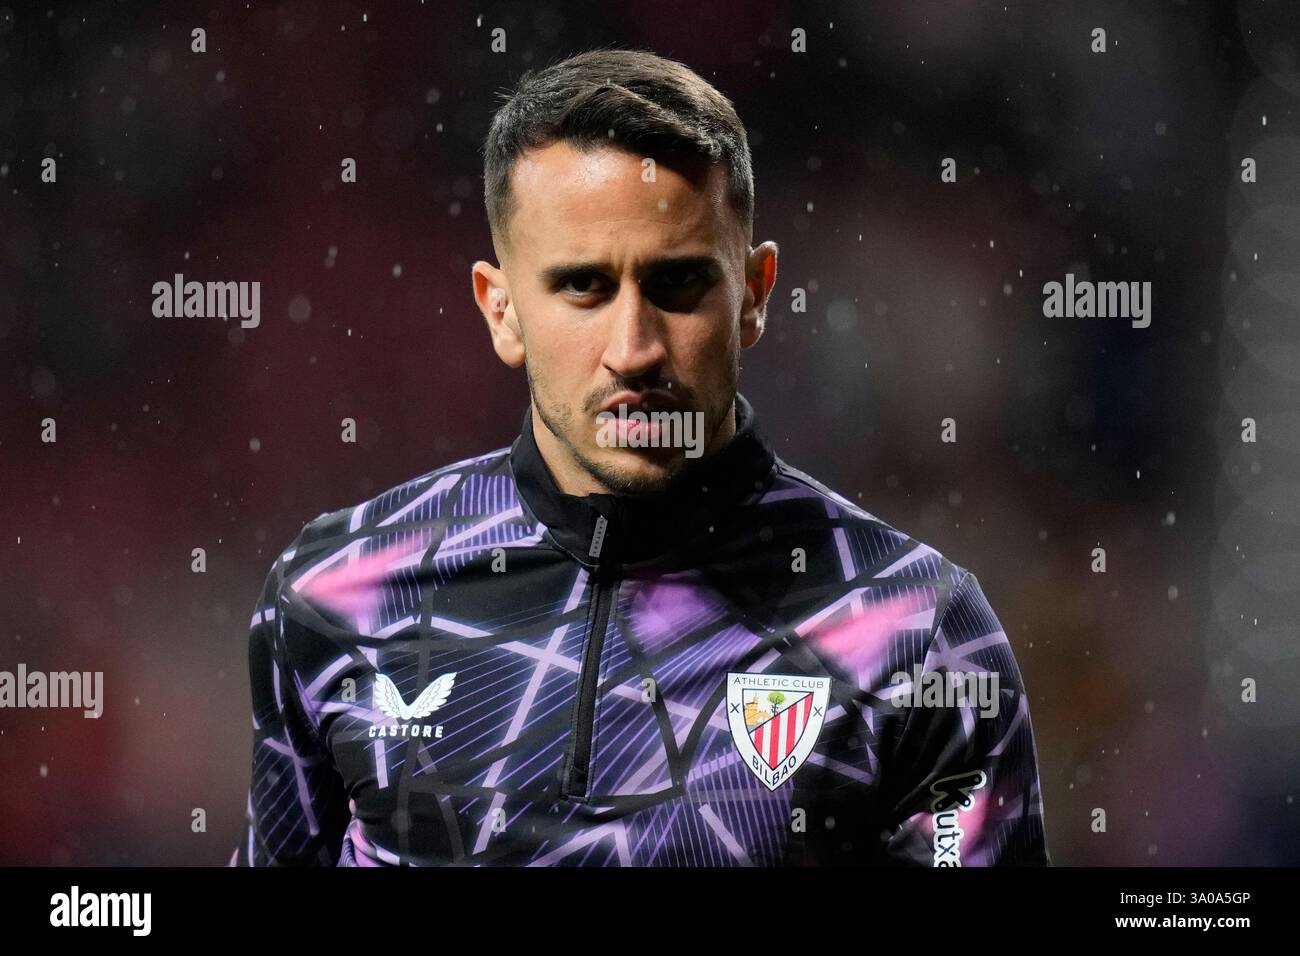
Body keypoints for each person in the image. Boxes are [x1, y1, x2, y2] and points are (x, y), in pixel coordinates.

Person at [231, 47, 1048, 867]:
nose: (635, 349)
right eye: (583, 286)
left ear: (755, 295)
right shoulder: (336, 595)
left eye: (680, 283)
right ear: (502, 310)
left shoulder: (915, 632)